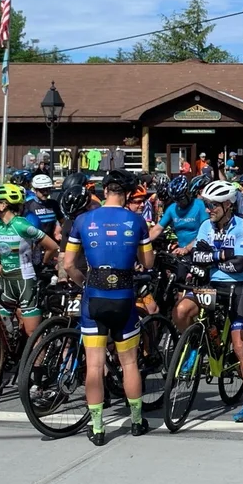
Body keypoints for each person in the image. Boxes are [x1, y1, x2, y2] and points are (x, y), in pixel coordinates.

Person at [62, 169, 154, 444]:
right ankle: (137, 422)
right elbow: (148, 264)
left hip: (95, 295)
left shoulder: (83, 219)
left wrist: (83, 283)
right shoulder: (137, 220)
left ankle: (98, 427)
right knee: (129, 364)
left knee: (94, 366)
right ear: (126, 195)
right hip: (124, 295)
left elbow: (68, 264)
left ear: (103, 192)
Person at [178, 180, 243, 423]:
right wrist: (222, 256)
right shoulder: (206, 226)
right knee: (182, 310)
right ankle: (195, 347)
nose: (207, 209)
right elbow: (197, 256)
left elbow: (240, 264)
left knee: (240, 347)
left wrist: (211, 258)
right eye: (206, 204)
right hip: (214, 285)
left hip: (240, 287)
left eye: (212, 205)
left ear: (228, 204)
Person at [0, 183, 58, 337]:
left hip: (25, 281)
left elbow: (52, 246)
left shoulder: (22, 225)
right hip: (6, 282)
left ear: (4, 204)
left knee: (32, 333)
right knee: (1, 332)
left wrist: (40, 264)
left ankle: (37, 361)